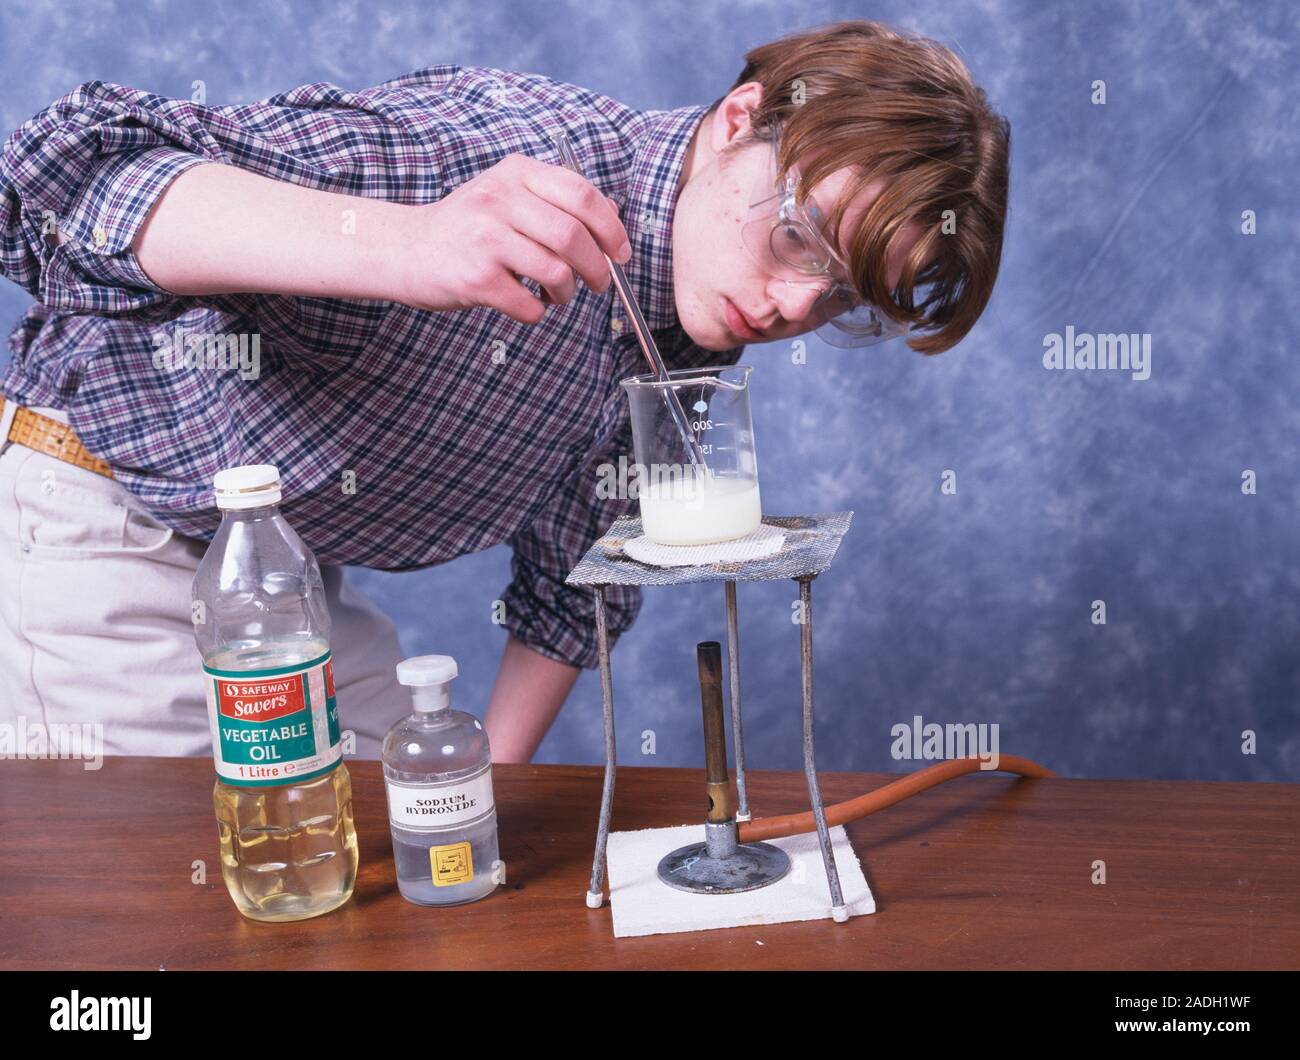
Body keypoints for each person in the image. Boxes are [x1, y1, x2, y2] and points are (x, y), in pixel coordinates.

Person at [0, 19, 1009, 763]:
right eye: (797, 236)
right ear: (743, 119)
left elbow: (580, 576)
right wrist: (405, 242)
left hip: (280, 574)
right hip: (106, 525)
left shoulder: (693, 314)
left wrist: (501, 781)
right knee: (188, 908)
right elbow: (65, 180)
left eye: (840, 296)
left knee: (429, 837)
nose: (792, 302)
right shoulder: (489, 157)